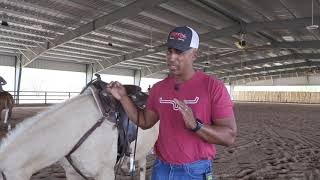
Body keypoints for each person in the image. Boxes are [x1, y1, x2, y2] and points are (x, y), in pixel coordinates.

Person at [107, 26, 237, 180]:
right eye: (169, 51)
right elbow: (144, 121)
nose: (171, 57)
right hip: (161, 169)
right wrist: (123, 97)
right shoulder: (158, 88)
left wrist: (196, 126)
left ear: (194, 54)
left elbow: (229, 136)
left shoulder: (213, 87)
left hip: (195, 171)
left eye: (179, 52)